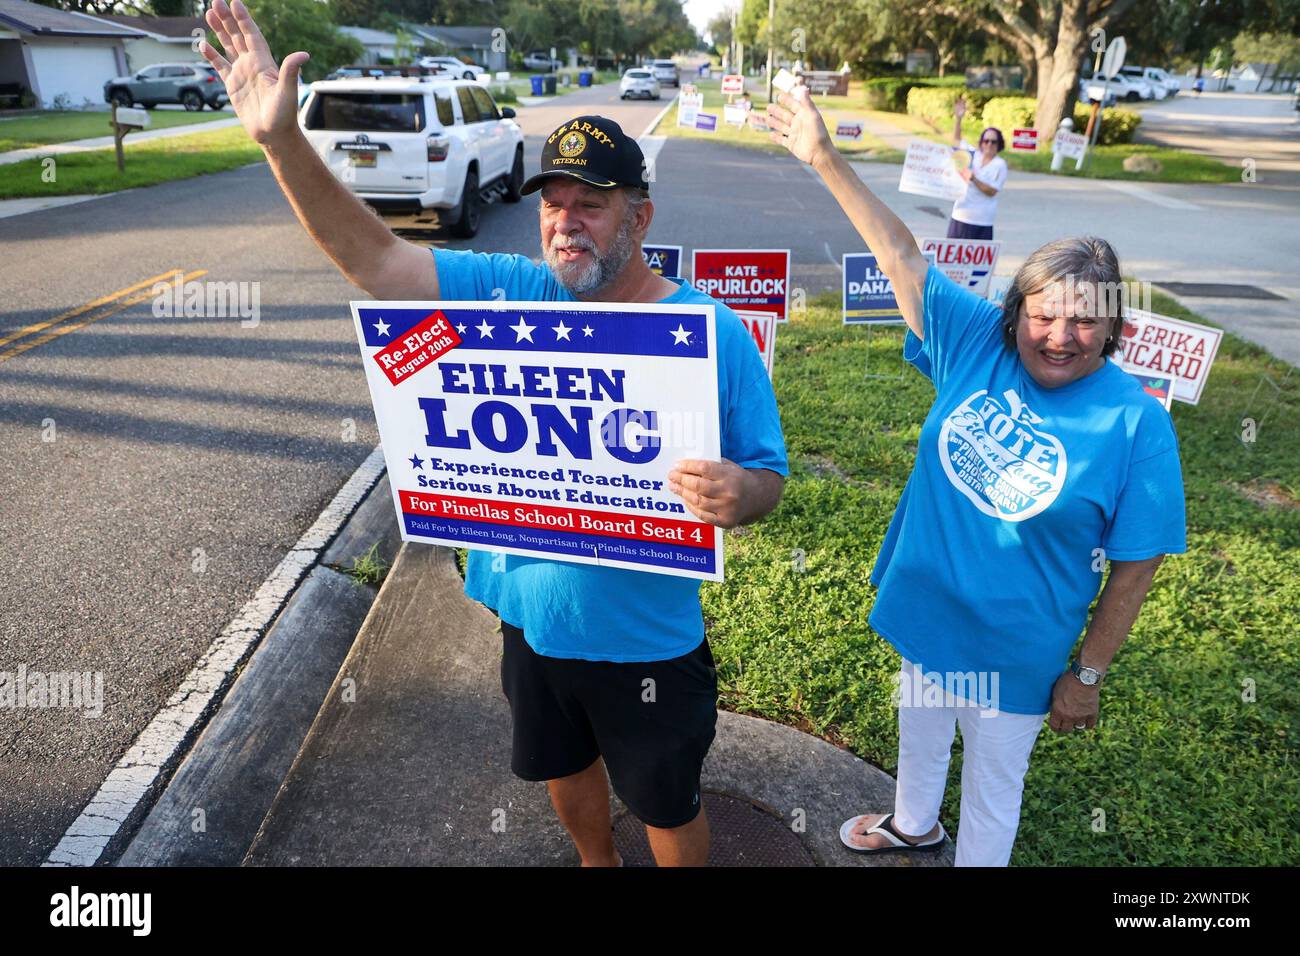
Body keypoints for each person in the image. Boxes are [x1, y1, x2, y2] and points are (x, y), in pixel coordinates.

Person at [201, 0, 788, 867]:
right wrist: (281, 142)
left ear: (641, 218)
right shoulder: (510, 293)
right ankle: (596, 863)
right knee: (561, 767)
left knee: (666, 800)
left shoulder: (712, 333)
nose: (564, 222)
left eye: (590, 204)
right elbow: (375, 262)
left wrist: (741, 495)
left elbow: (769, 478)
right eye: (553, 203)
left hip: (648, 641)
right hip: (528, 620)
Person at [761, 86, 1187, 866]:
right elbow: (898, 252)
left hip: (1020, 647)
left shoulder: (1137, 422)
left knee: (994, 789)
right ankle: (913, 822)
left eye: (1085, 319)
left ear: (1115, 327)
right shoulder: (976, 343)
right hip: (929, 609)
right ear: (1015, 309)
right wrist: (823, 156)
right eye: (1044, 313)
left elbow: (1136, 567)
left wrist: (1087, 674)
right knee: (919, 734)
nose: (1060, 337)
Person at [948, 95, 1007, 241]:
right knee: (953, 260)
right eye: (986, 141)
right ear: (981, 143)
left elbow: (992, 191)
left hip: (982, 220)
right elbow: (956, 142)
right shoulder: (973, 155)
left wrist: (973, 178)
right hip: (961, 215)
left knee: (976, 264)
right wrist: (958, 118)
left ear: (999, 145)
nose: (989, 144)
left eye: (993, 142)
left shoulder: (1000, 165)